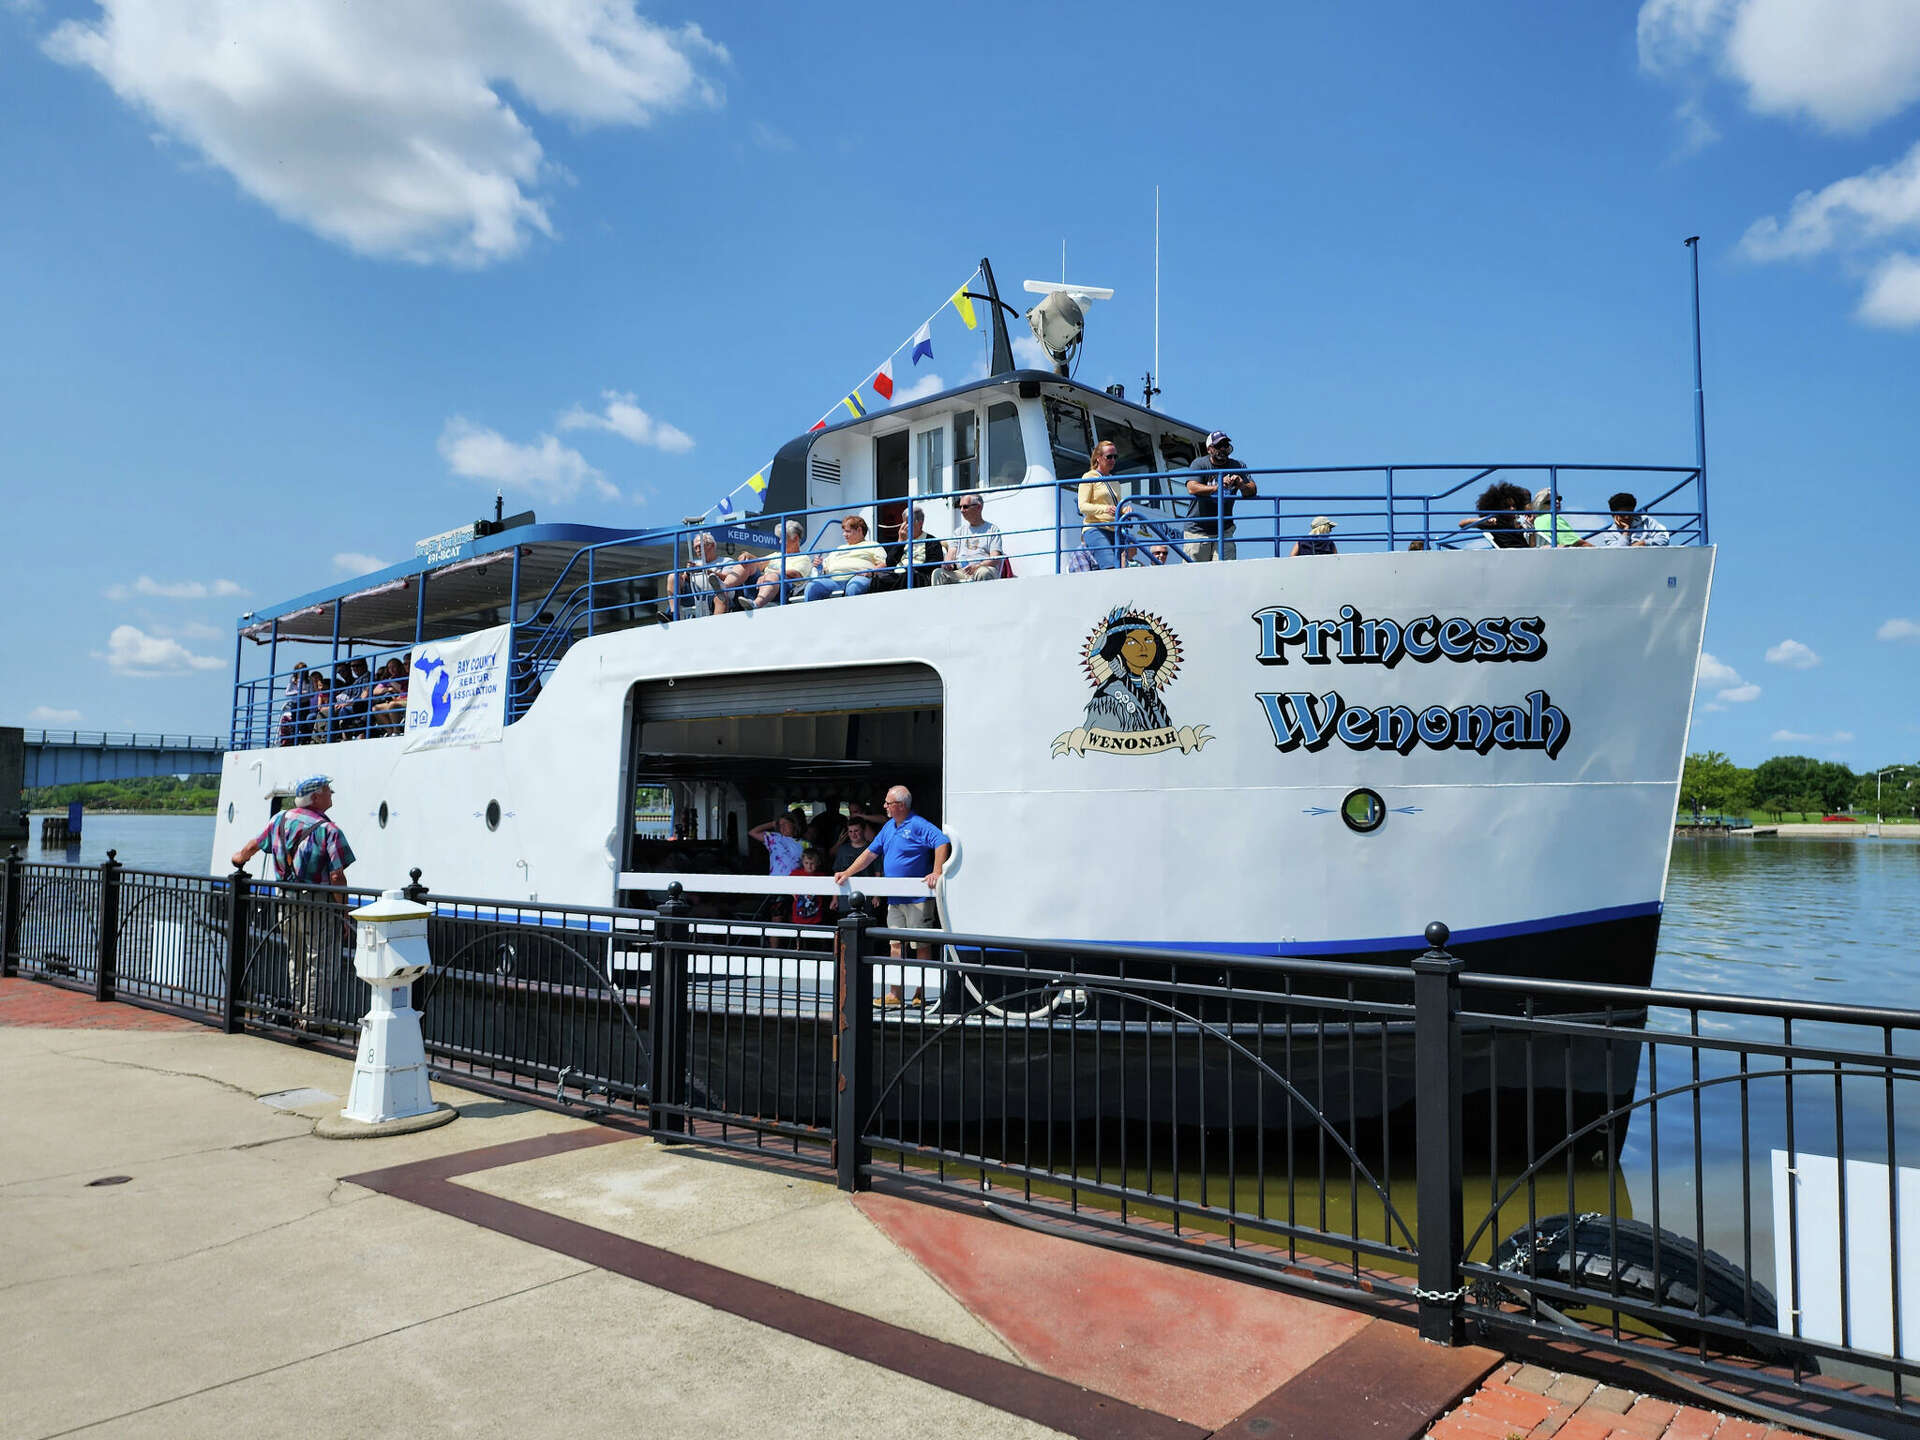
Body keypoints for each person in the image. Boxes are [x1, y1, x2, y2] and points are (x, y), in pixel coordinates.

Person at [229, 774, 355, 1030]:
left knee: (296, 957)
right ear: (316, 797)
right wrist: (343, 910)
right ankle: (312, 1020)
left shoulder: (279, 820)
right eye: (328, 790)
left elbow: (253, 845)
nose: (332, 794)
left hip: (285, 899)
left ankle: (300, 1012)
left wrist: (239, 859)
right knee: (320, 961)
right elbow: (336, 875)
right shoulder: (329, 830)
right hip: (318, 903)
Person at [833, 785, 950, 1007]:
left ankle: (920, 992)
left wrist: (936, 872)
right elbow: (869, 854)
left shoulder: (917, 824)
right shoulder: (889, 827)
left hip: (917, 899)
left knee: (920, 946)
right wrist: (847, 873)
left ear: (901, 805)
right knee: (896, 946)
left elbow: (941, 841)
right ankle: (895, 994)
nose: (884, 806)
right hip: (895, 899)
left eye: (888, 802)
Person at [1084, 612, 1173, 733]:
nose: (1143, 647)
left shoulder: (1149, 690)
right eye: (1131, 642)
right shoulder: (1107, 697)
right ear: (1117, 647)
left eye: (1148, 640)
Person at [1183, 431, 1256, 562]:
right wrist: (1218, 487)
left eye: (1225, 445)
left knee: (1225, 573)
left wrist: (1241, 485)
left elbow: (1252, 490)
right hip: (1197, 531)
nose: (1223, 449)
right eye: (1218, 445)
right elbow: (1191, 487)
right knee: (1193, 577)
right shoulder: (1199, 464)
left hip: (1224, 530)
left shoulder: (1237, 466)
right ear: (1209, 449)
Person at [732, 520, 815, 608]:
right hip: (760, 586)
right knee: (746, 564)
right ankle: (723, 587)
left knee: (772, 577)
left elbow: (796, 574)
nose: (780, 542)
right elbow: (759, 563)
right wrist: (748, 556)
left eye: (783, 538)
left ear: (795, 538)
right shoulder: (776, 555)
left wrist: (771, 574)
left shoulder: (803, 558)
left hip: (781, 592)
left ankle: (755, 604)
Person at [803, 514, 887, 601]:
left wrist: (870, 572)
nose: (844, 534)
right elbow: (825, 569)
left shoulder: (873, 545)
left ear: (859, 530)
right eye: (844, 531)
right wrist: (819, 565)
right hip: (834, 580)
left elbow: (885, 563)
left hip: (858, 577)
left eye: (847, 531)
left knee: (853, 586)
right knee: (812, 587)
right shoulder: (839, 549)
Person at [1078, 440, 1127, 569]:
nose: (1112, 460)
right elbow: (1082, 506)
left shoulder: (1115, 481)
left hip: (1115, 530)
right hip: (1096, 529)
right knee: (1110, 566)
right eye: (1109, 457)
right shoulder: (1089, 477)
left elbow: (1118, 505)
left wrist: (1125, 509)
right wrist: (1105, 509)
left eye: (1115, 457)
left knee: (1122, 569)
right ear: (1098, 458)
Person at [933, 494, 1004, 583]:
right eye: (960, 507)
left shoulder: (993, 530)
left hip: (982, 568)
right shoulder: (958, 532)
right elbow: (951, 553)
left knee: (983, 573)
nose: (962, 510)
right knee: (938, 573)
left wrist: (978, 566)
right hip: (962, 572)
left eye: (965, 507)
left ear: (978, 507)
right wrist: (947, 563)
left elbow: (995, 558)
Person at [874, 505, 944, 591]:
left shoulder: (931, 541)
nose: (905, 526)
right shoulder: (903, 540)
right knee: (879, 579)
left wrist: (911, 568)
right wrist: (900, 542)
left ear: (920, 523)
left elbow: (933, 564)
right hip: (898, 575)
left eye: (908, 522)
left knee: (908, 575)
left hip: (918, 576)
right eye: (904, 522)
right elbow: (890, 562)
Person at [669, 531, 731, 618]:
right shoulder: (695, 562)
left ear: (712, 545)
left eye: (700, 546)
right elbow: (683, 580)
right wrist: (687, 572)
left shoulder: (726, 561)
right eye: (695, 548)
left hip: (714, 595)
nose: (697, 550)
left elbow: (728, 579)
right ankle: (673, 614)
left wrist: (704, 570)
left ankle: (717, 626)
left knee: (721, 596)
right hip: (693, 595)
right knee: (673, 576)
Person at [1457, 482, 1534, 549]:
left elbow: (1532, 548)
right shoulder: (1495, 521)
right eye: (1507, 506)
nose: (1512, 508)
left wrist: (1531, 530)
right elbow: (1462, 524)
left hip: (1526, 556)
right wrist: (1484, 520)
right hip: (1512, 557)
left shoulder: (1518, 523)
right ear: (1498, 508)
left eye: (1514, 505)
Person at [1593, 491, 1670, 547]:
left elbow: (1663, 540)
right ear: (1614, 515)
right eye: (1623, 514)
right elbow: (1618, 554)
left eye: (1630, 513)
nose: (1627, 517)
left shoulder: (1647, 521)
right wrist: (1626, 531)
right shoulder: (1610, 534)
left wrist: (1643, 543)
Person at [790, 846, 835, 929]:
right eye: (806, 863)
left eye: (812, 863)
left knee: (815, 939)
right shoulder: (795, 873)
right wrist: (793, 893)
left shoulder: (822, 876)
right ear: (802, 862)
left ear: (818, 863)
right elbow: (787, 884)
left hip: (816, 917)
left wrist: (834, 899)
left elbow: (833, 887)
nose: (809, 866)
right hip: (798, 916)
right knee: (799, 939)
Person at [278, 663, 312, 747]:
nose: (302, 671)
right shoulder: (293, 680)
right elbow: (287, 692)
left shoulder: (308, 680)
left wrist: (304, 693)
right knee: (294, 723)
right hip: (295, 703)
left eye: (304, 669)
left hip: (305, 703)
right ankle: (293, 741)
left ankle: (304, 740)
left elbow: (312, 693)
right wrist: (297, 692)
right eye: (300, 669)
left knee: (303, 722)